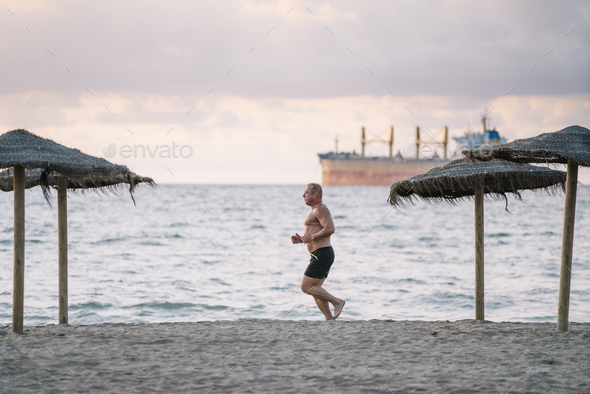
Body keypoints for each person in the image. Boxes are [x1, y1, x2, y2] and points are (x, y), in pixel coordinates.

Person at [291, 183, 345, 320]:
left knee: (305, 287)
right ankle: (329, 319)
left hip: (323, 253)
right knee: (315, 289)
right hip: (319, 254)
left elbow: (330, 229)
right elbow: (314, 233)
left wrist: (312, 237)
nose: (303, 195)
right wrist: (303, 240)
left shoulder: (320, 209)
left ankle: (337, 302)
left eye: (306, 193)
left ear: (315, 195)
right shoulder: (314, 210)